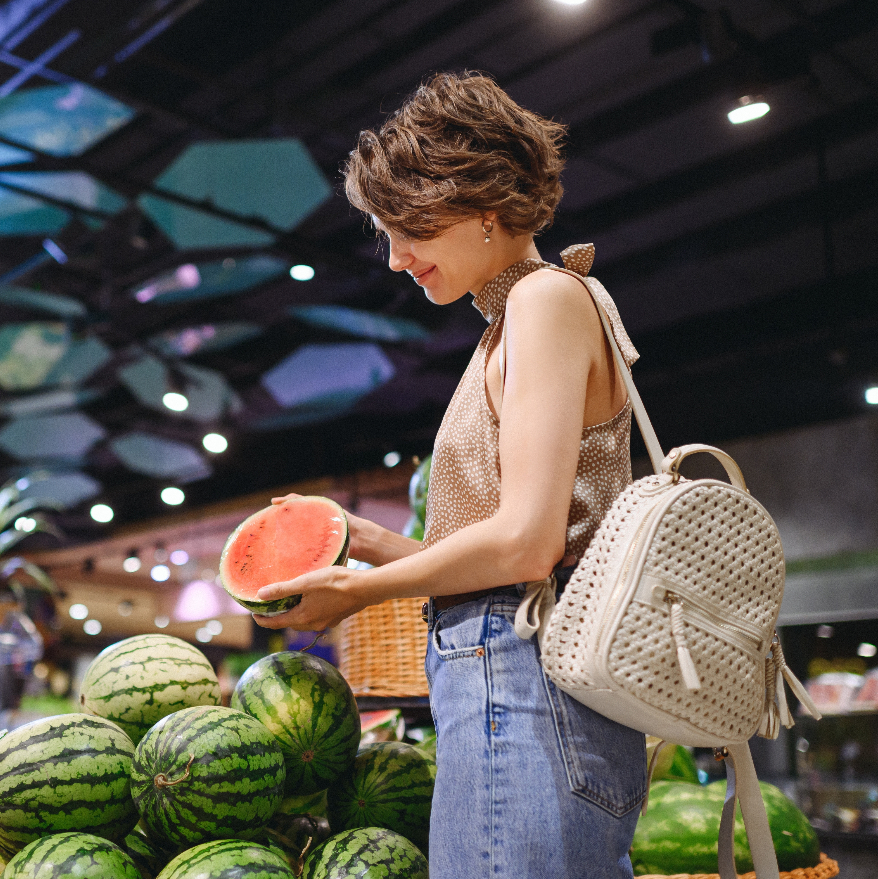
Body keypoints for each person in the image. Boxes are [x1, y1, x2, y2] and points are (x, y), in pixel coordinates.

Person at [252, 72, 647, 879]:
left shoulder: (545, 300)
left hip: (527, 675)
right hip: (512, 675)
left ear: (479, 202)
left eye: (406, 226)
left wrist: (357, 593)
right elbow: (493, 549)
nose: (396, 258)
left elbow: (528, 547)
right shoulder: (512, 321)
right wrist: (357, 539)